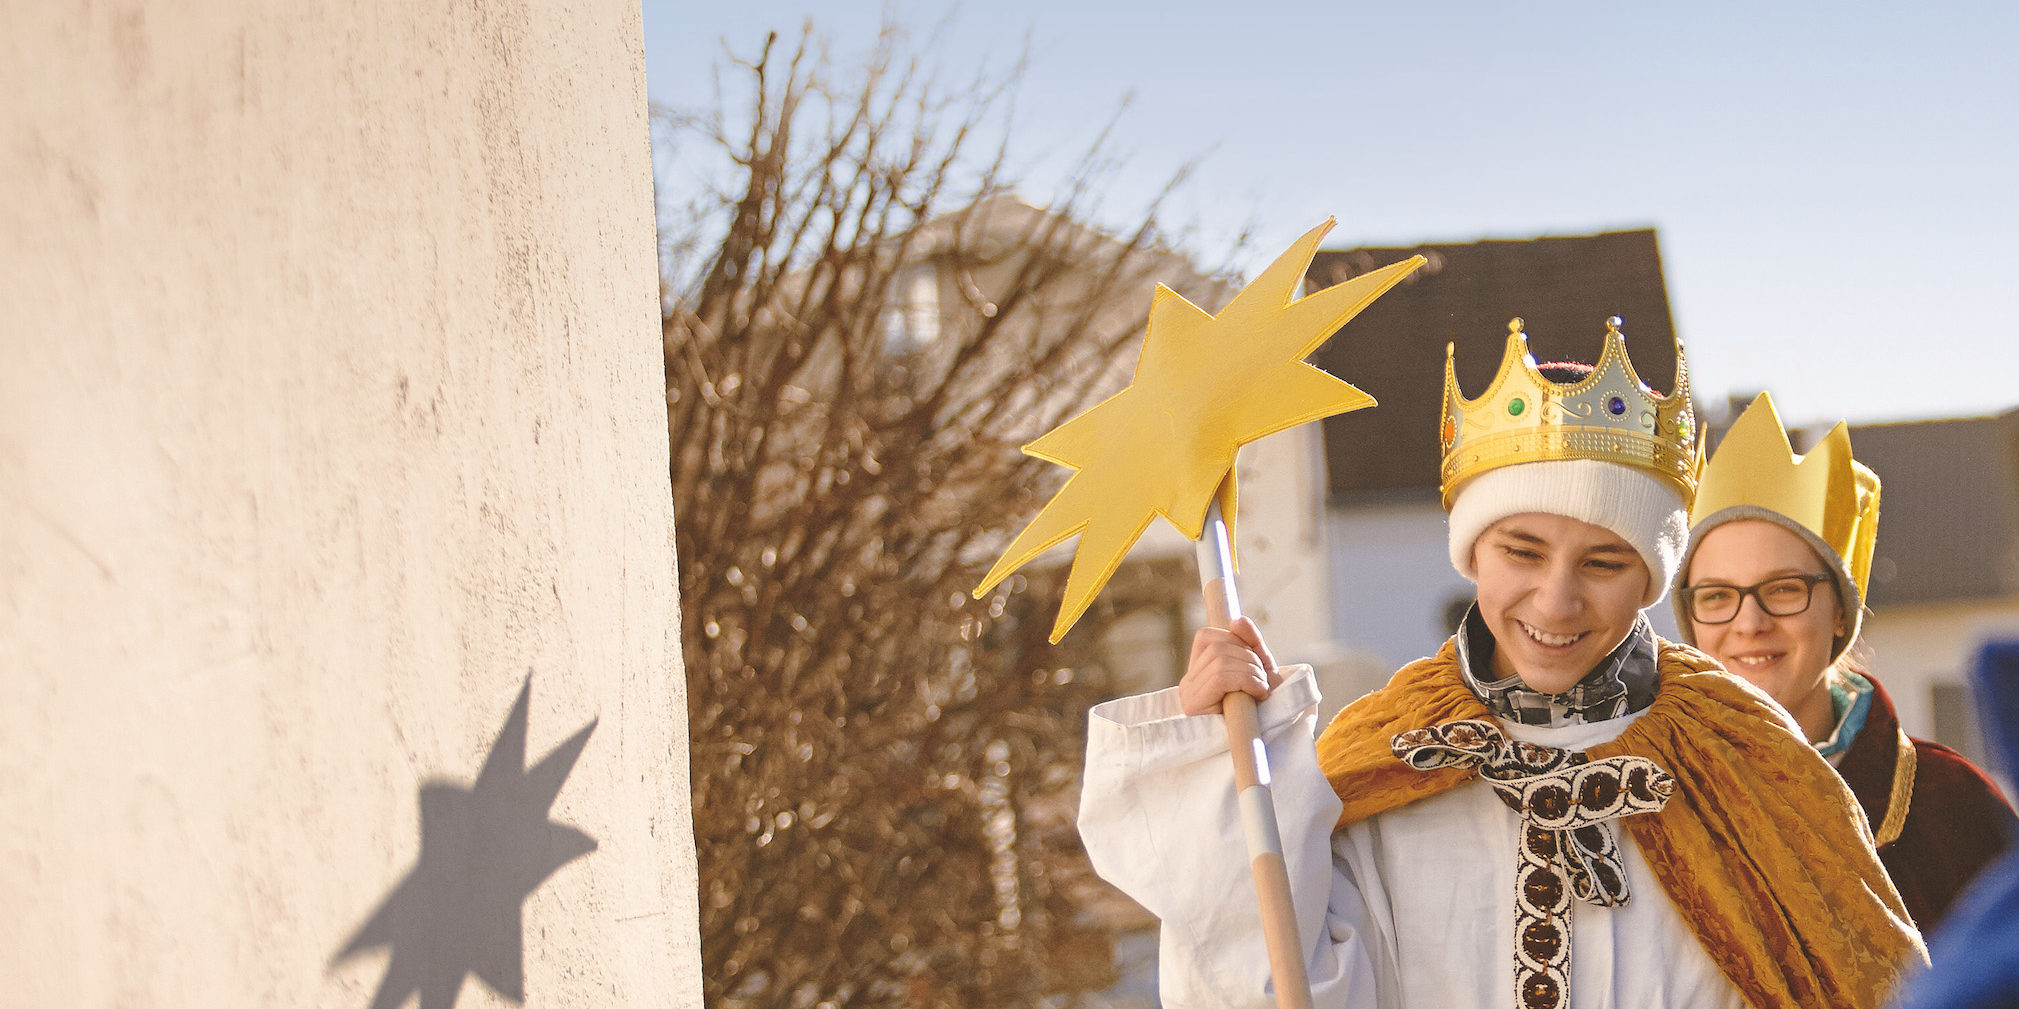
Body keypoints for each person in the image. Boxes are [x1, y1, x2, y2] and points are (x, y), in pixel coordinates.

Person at [1079, 318, 1924, 1009]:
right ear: (1471, 554)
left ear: (1650, 579)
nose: (1554, 603)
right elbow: (1271, 987)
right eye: (1521, 551)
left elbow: (1860, 977)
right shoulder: (1380, 755)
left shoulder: (1742, 751)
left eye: (1601, 563)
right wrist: (1234, 786)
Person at [1674, 392, 2016, 931]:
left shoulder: (1956, 806)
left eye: (1783, 589)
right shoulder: (1653, 797)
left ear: (1839, 613)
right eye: (1717, 595)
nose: (1749, 623)